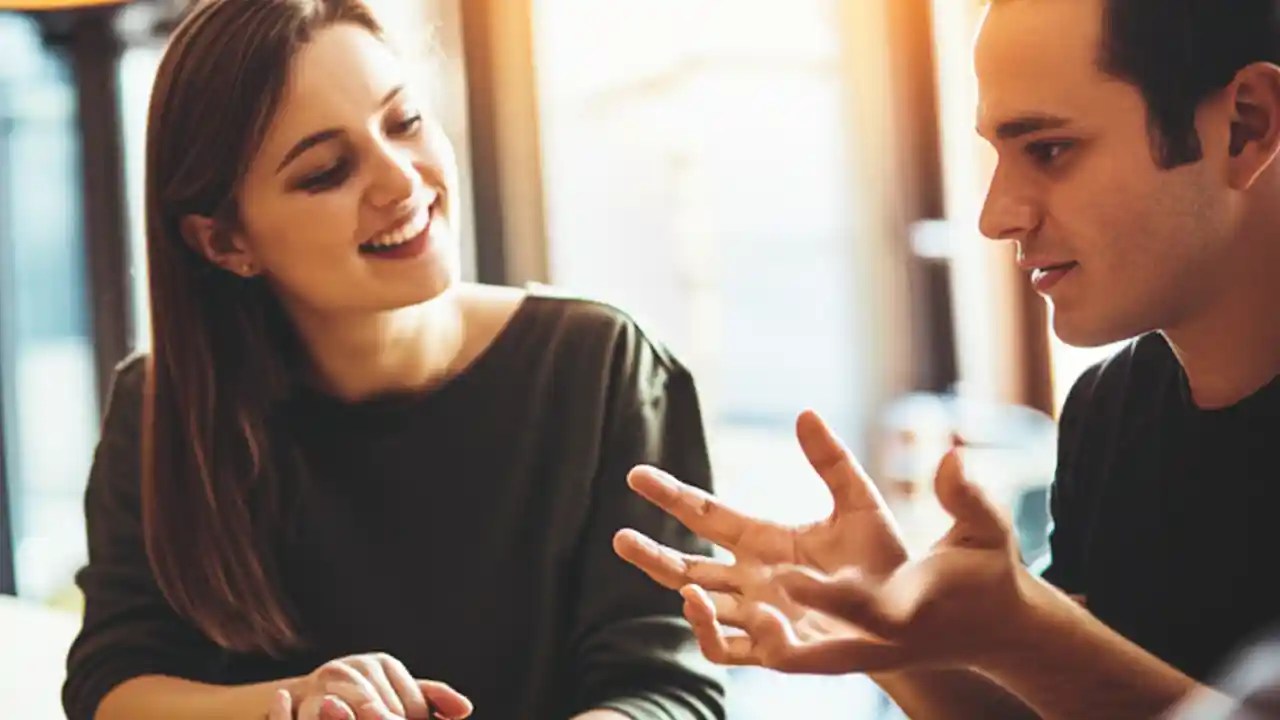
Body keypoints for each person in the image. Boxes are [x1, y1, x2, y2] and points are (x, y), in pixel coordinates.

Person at [614, 0, 1280, 717]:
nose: (998, 216)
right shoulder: (1110, 410)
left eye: (1050, 149)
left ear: (1245, 126)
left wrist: (1028, 632)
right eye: (999, 154)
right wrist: (893, 631)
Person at [61, 1, 724, 719]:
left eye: (404, 122)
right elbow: (112, 686)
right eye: (325, 172)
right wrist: (303, 704)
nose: (400, 181)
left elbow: (668, 692)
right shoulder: (163, 407)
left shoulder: (601, 367)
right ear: (224, 243)